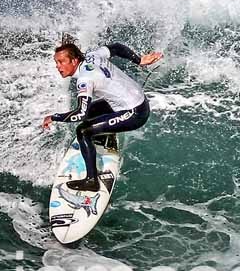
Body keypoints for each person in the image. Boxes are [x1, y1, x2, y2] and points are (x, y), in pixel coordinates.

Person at [42, 41, 163, 192]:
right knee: (91, 111)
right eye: (56, 63)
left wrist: (54, 117)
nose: (58, 67)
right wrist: (139, 60)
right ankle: (102, 132)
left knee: (83, 131)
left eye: (61, 62)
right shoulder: (93, 55)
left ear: (74, 61)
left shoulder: (84, 80)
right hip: (137, 99)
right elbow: (117, 47)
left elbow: (80, 113)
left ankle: (91, 181)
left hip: (135, 113)